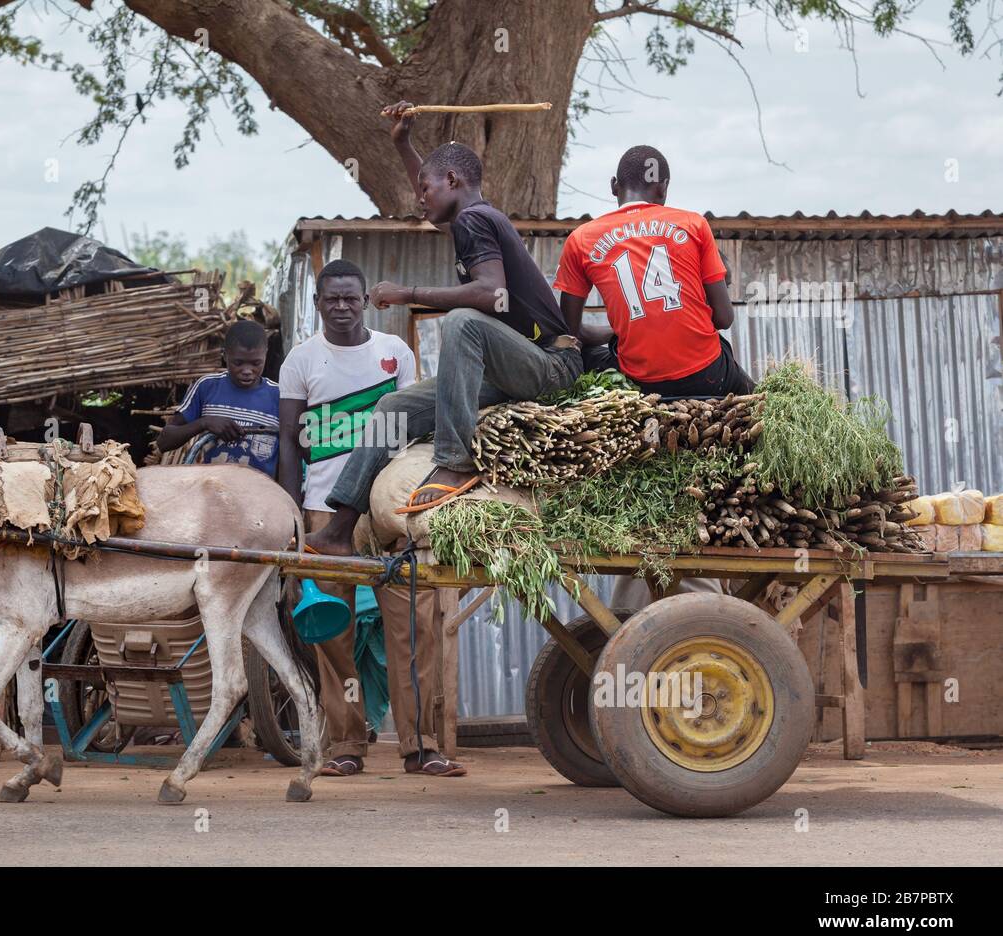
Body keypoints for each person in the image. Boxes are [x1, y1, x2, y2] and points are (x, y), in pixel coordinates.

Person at [304, 101, 583, 556]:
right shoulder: (469, 218)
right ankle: (340, 530)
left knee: (463, 322)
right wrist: (403, 142)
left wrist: (406, 292)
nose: (420, 197)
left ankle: (455, 462)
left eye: (426, 188)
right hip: (514, 365)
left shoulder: (475, 220)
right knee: (393, 404)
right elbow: (435, 187)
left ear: (452, 182)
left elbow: (490, 292)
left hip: (550, 365)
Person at [277, 258, 465, 777]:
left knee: (414, 622)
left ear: (365, 301)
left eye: (350, 298)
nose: (341, 307)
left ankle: (421, 746)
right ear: (318, 304)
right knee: (329, 629)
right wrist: (293, 509)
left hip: (390, 506)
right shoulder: (300, 360)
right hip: (323, 511)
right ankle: (345, 745)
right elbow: (289, 441)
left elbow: (418, 429)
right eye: (331, 299)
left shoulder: (394, 353)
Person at [553, 144, 754, 397]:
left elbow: (571, 333)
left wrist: (624, 331)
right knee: (731, 363)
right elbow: (724, 319)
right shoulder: (693, 224)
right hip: (708, 376)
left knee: (586, 354)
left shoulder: (581, 239)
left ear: (614, 185)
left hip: (640, 385)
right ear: (664, 186)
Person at [156, 318, 280, 475]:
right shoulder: (207, 386)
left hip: (257, 495)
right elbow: (164, 441)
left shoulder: (278, 396)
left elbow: (287, 454)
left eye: (256, 363)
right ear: (225, 355)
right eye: (238, 363)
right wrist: (205, 423)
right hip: (210, 492)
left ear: (266, 354)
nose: (247, 370)